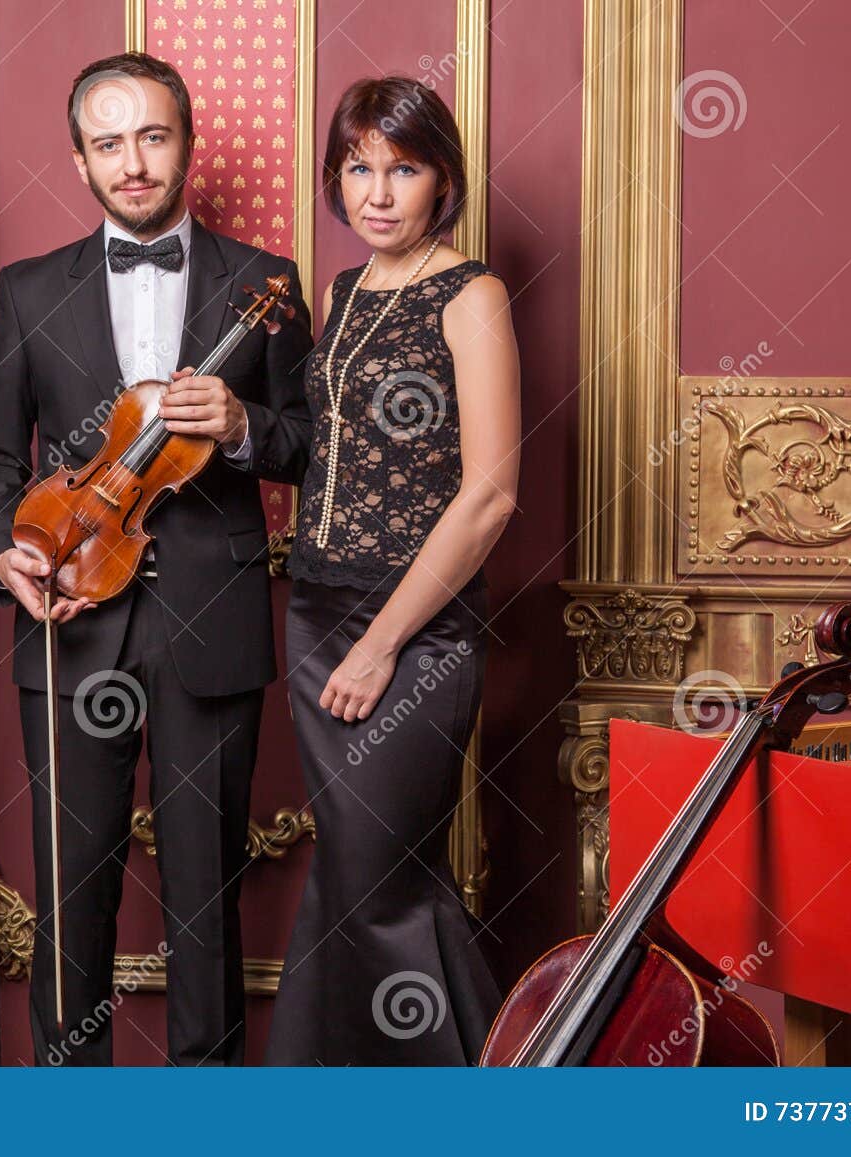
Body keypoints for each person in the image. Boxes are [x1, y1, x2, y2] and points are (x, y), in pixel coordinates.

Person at [0, 52, 312, 1065]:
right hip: (70, 611)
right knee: (72, 892)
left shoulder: (267, 282)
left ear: (187, 144)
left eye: (153, 137)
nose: (134, 163)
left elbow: (310, 443)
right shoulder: (27, 290)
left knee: (207, 894)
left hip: (213, 614)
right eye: (108, 144)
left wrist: (242, 426)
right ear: (80, 160)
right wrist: (4, 555)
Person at [264, 76, 521, 1065]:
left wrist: (380, 644)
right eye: (357, 167)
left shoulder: (472, 293)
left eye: (402, 169)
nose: (376, 192)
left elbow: (490, 496)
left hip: (414, 627)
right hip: (315, 609)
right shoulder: (342, 292)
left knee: (382, 889)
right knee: (354, 878)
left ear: (442, 180)